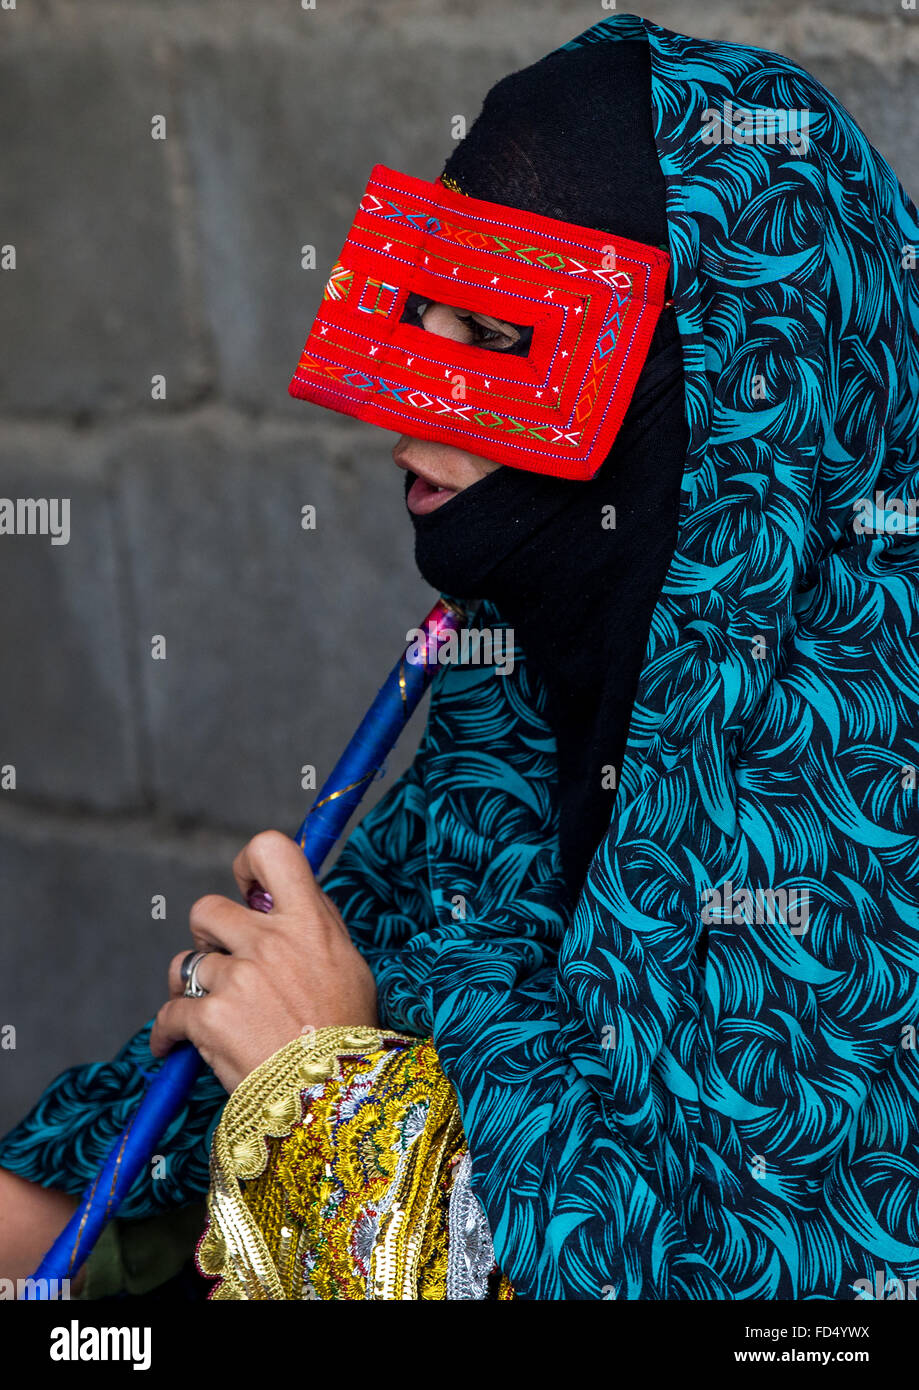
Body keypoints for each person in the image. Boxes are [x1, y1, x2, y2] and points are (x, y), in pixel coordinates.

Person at [1, 11, 918, 1300]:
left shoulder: (868, 830)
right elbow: (140, 1223)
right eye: (420, 320)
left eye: (495, 340)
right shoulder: (510, 729)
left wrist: (321, 1100)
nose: (400, 407)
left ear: (701, 394)